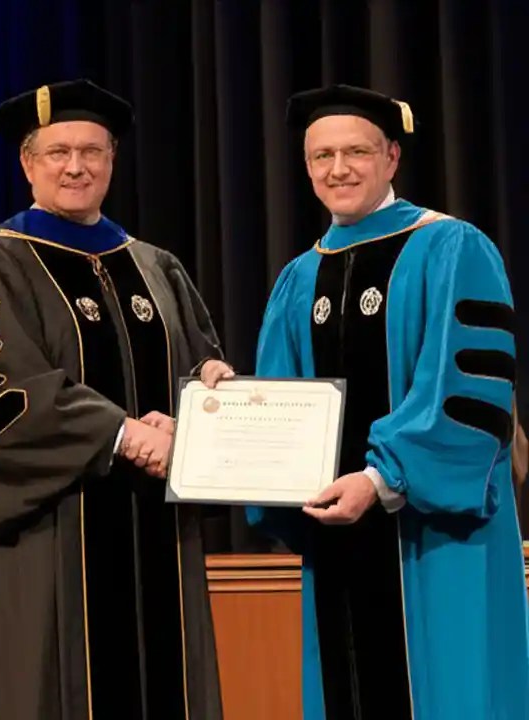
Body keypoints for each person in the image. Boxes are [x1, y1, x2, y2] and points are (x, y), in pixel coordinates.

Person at [206, 83, 529, 719]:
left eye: (355, 152)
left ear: (391, 157)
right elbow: (283, 406)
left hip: (433, 535)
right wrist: (219, 413)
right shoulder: (300, 277)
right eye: (322, 156)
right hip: (337, 537)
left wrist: (382, 478)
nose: (339, 169)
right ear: (305, 167)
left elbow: (472, 393)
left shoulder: (451, 247)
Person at [0, 78, 227, 720]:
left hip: (158, 544)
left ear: (112, 159)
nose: (76, 166)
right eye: (58, 152)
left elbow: (201, 377)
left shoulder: (157, 268)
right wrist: (124, 435)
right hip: (51, 542)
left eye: (92, 151)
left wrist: (205, 412)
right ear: (27, 163)